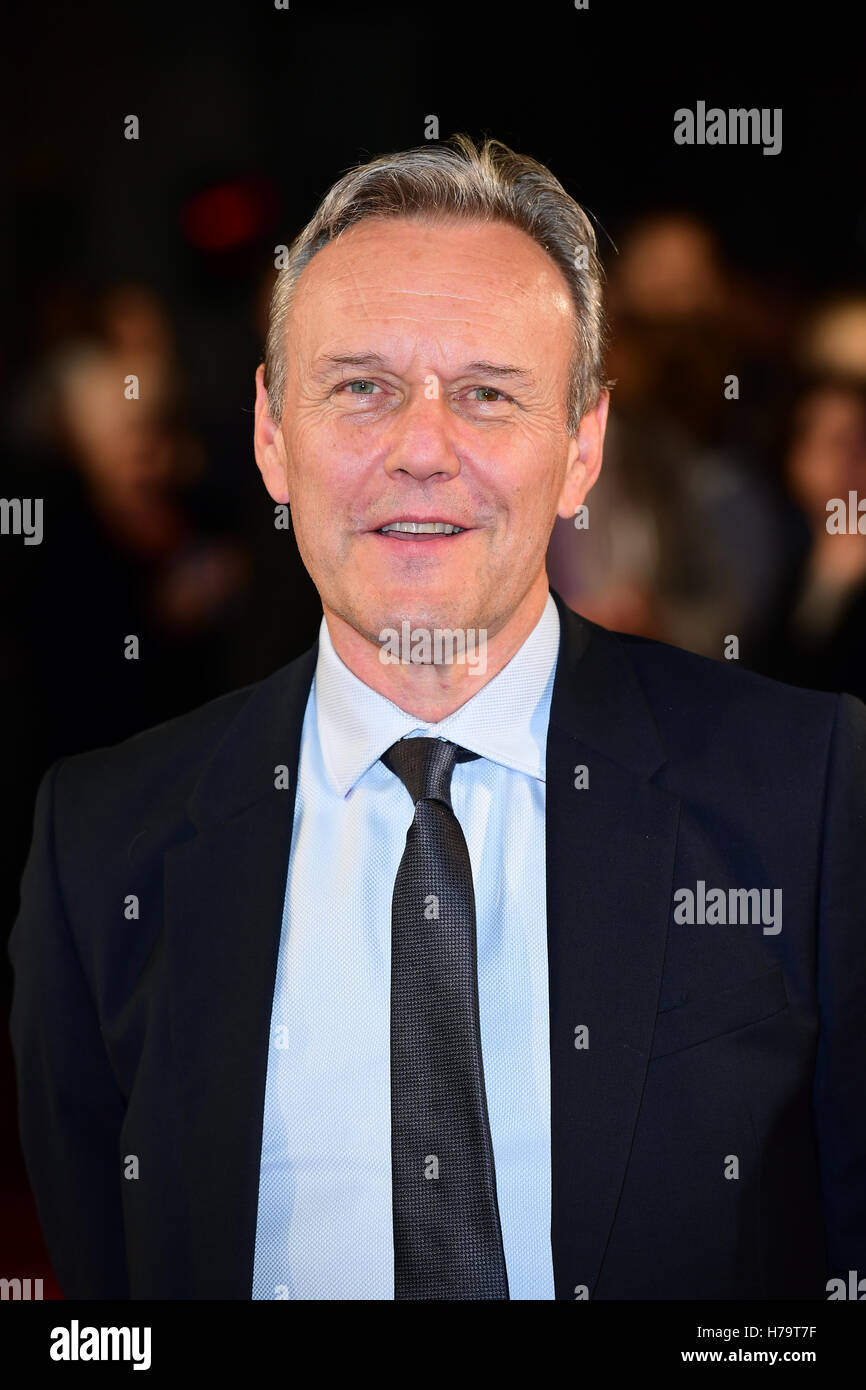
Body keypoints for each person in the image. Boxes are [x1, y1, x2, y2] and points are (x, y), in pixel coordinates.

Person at [8, 134, 865, 1301]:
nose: (420, 449)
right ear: (270, 434)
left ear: (581, 450)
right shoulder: (101, 842)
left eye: (486, 394)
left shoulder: (803, 793)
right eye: (360, 386)